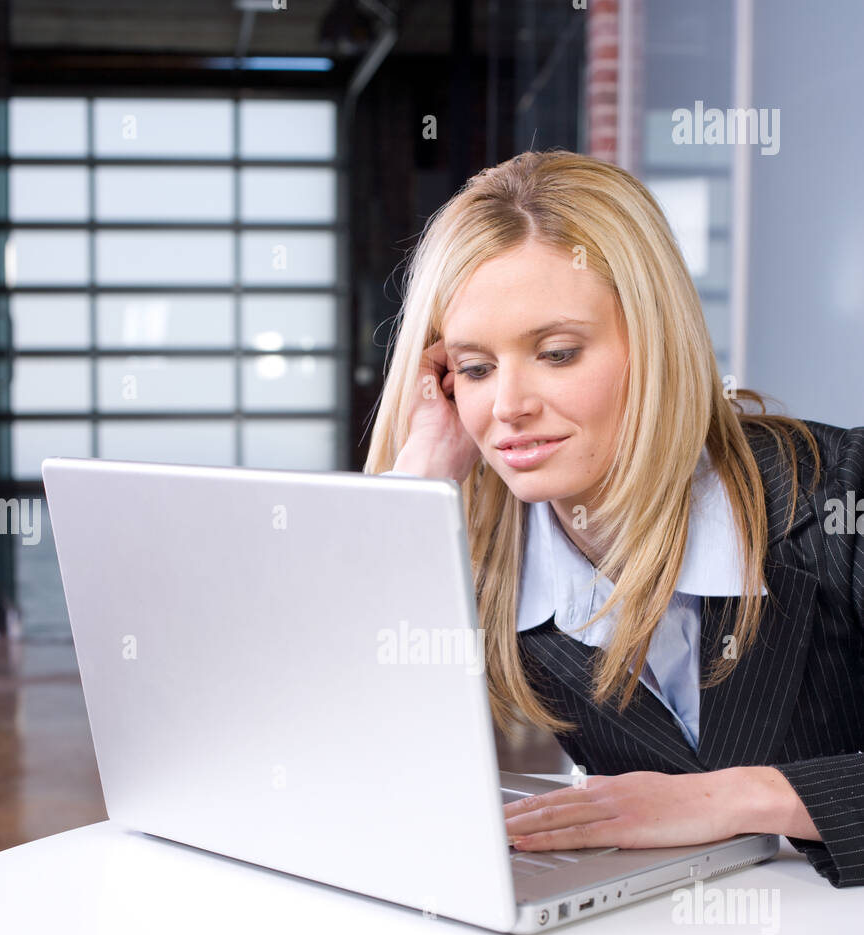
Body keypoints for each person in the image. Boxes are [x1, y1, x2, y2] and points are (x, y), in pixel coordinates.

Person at [364, 150, 864, 888]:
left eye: (557, 353)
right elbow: (335, 764)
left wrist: (747, 797)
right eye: (473, 368)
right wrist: (414, 490)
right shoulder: (492, 556)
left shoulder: (839, 497)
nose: (507, 407)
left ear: (656, 342)